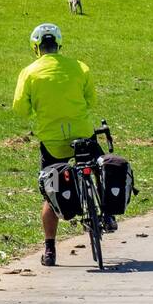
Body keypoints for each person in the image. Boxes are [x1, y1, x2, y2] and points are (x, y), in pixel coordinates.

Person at [12, 23, 109, 267]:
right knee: (100, 168)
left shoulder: (29, 72)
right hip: (83, 135)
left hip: (53, 141)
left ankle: (50, 250)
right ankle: (107, 214)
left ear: (36, 47)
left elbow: (20, 109)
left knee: (50, 190)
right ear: (59, 44)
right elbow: (91, 100)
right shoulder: (80, 67)